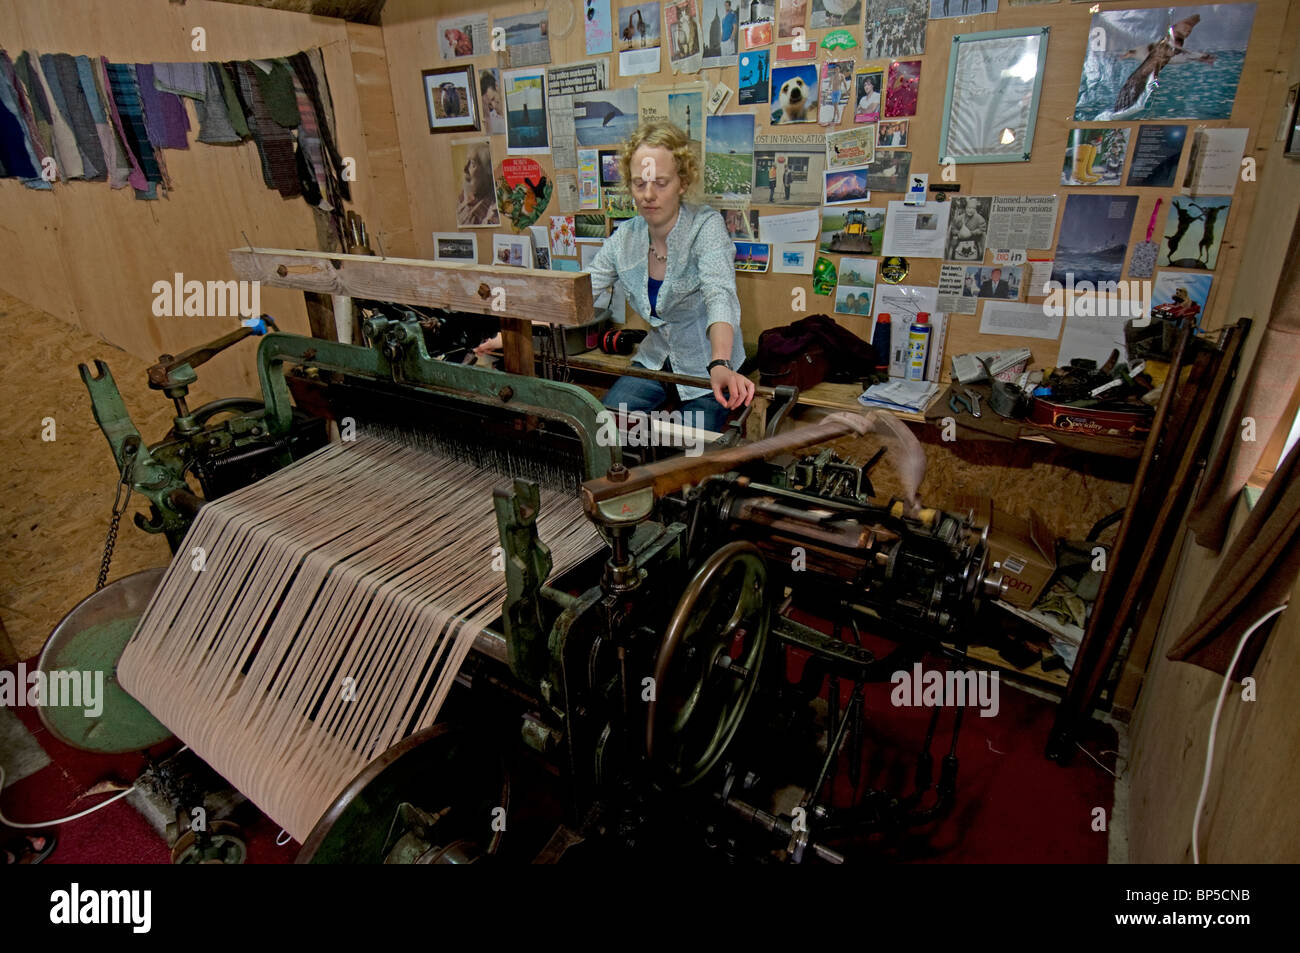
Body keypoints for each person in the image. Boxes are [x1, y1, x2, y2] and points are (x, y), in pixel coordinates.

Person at [583, 121, 753, 431]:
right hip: (655, 358)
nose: (648, 195)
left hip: (708, 368)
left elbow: (720, 296)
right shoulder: (626, 237)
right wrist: (513, 334)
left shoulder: (706, 226)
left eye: (660, 183)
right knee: (604, 430)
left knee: (691, 456)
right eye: (638, 183)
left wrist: (719, 362)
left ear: (683, 182)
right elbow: (580, 293)